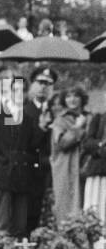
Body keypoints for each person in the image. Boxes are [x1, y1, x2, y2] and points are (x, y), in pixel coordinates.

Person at [0, 66, 52, 237]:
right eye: (16, 90)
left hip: (23, 174)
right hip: (3, 173)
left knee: (20, 222)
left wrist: (42, 128)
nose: (19, 94)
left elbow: (32, 144)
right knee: (3, 220)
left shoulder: (28, 116)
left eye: (23, 91)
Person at [51, 87, 88, 224]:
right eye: (68, 96)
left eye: (75, 96)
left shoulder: (89, 117)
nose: (72, 100)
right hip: (66, 168)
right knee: (67, 206)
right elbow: (62, 144)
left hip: (85, 166)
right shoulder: (60, 120)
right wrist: (77, 127)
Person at [80, 108, 106, 227]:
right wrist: (100, 144)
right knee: (96, 207)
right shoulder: (99, 118)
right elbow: (87, 143)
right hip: (99, 171)